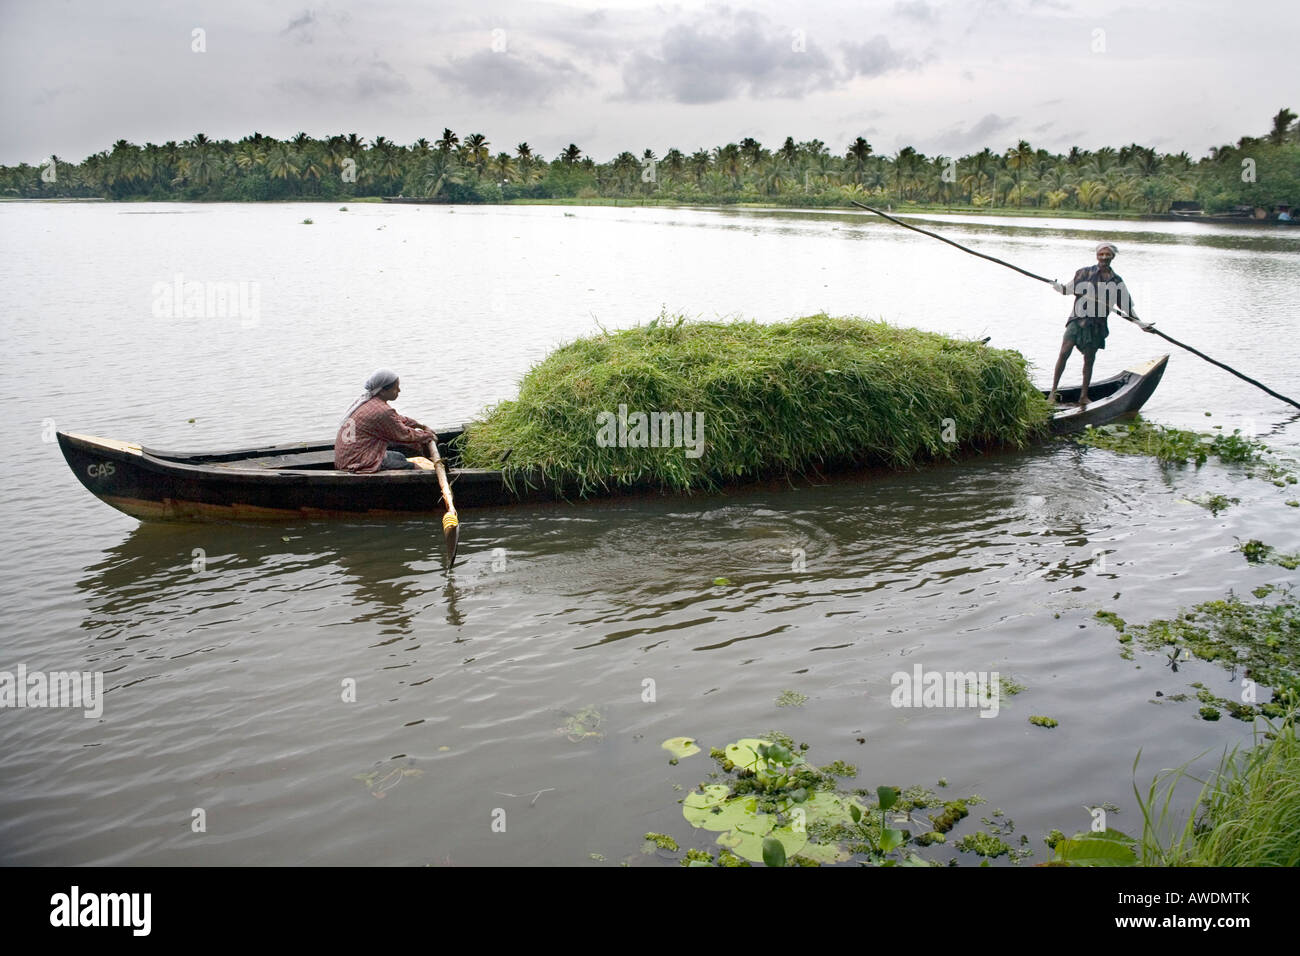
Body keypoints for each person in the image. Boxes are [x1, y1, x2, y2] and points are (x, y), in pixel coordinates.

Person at [1047, 241, 1152, 405]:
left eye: (1107, 254)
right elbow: (1067, 290)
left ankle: (1083, 396)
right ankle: (1052, 394)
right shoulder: (1084, 273)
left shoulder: (1117, 281)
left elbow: (1127, 307)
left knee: (1089, 360)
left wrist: (1141, 324)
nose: (1104, 257)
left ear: (1112, 257)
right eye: (1101, 254)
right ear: (1097, 256)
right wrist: (1057, 286)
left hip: (1096, 326)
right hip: (1077, 320)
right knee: (1063, 353)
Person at [334, 368, 438, 472]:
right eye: (396, 388)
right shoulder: (382, 411)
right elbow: (405, 434)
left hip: (348, 458)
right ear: (383, 391)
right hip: (357, 462)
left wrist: (421, 426)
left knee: (400, 457)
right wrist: (427, 435)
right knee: (415, 468)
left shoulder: (370, 402)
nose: (399, 391)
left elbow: (399, 419)